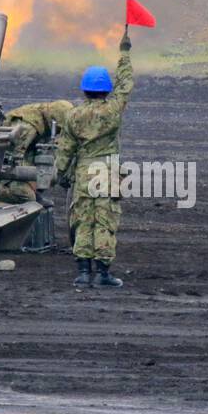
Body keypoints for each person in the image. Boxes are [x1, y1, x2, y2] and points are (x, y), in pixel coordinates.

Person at [55, 30, 134, 287]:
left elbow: (65, 148)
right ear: (105, 90)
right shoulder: (113, 110)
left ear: (85, 90)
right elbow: (126, 84)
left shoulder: (73, 115)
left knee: (82, 220)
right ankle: (103, 274)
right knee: (105, 220)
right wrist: (124, 54)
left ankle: (83, 273)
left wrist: (61, 173)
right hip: (108, 170)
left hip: (84, 171)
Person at [0, 100, 74, 205]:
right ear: (53, 120)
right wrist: (30, 183)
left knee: (49, 172)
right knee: (28, 197)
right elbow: (12, 160)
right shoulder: (29, 127)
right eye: (60, 128)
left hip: (15, 162)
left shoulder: (43, 119)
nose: (60, 131)